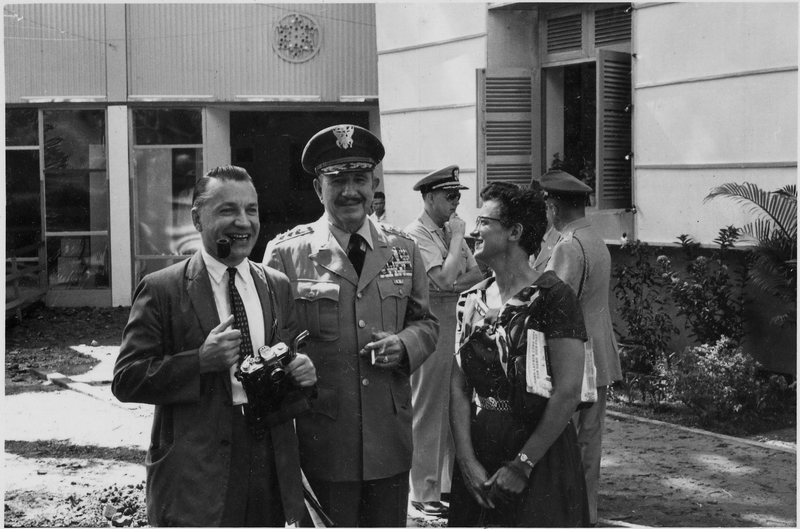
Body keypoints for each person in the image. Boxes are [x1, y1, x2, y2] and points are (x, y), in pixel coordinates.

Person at [112, 166, 317, 527]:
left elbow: (287, 357)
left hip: (268, 460)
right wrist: (199, 361)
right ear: (197, 218)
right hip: (197, 471)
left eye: (250, 210)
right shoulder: (163, 289)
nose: (243, 222)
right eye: (227, 210)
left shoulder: (276, 284)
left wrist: (300, 372)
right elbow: (126, 379)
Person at [264, 124, 439, 527]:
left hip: (389, 437)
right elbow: (270, 340)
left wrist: (405, 344)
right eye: (337, 180)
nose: (350, 192)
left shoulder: (403, 248)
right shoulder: (287, 254)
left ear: (374, 184)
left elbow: (426, 322)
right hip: (323, 439)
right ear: (317, 189)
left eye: (359, 180)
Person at [449, 182, 590, 527]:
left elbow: (568, 390)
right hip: (480, 449)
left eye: (484, 221)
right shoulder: (471, 301)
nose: (474, 230)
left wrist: (523, 464)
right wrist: (466, 462)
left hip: (538, 456)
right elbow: (457, 386)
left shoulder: (553, 297)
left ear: (514, 231)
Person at [534, 169, 623, 526]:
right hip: (599, 354)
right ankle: (585, 514)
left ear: (553, 207)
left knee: (564, 441)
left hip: (576, 358)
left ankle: (568, 514)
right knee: (589, 443)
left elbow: (555, 304)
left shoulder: (568, 245)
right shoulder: (594, 237)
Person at [404, 165, 484, 517]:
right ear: (429, 196)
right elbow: (445, 279)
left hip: (454, 326)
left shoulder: (447, 232)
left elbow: (478, 272)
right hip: (430, 327)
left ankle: (446, 485)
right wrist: (456, 246)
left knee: (454, 406)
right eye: (449, 196)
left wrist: (453, 273)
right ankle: (423, 491)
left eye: (458, 196)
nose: (455, 203)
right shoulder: (418, 234)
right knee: (427, 408)